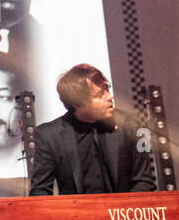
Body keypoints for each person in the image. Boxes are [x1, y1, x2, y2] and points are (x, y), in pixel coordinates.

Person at [29, 64, 155, 195]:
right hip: (76, 214)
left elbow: (144, 181)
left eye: (107, 89)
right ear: (78, 104)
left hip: (123, 212)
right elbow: (40, 190)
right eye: (100, 95)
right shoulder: (48, 135)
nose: (109, 97)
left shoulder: (132, 125)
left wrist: (124, 212)